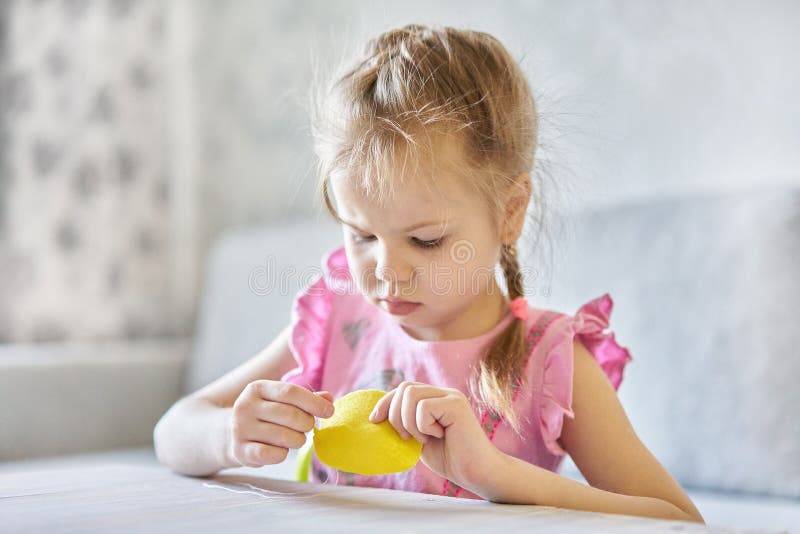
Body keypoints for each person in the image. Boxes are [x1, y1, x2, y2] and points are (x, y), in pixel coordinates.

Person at [154, 23, 704, 523]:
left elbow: (677, 519)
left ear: (510, 212)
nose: (387, 271)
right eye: (363, 235)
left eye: (426, 240)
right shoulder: (343, 316)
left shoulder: (550, 360)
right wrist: (228, 434)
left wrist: (494, 474)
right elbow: (173, 430)